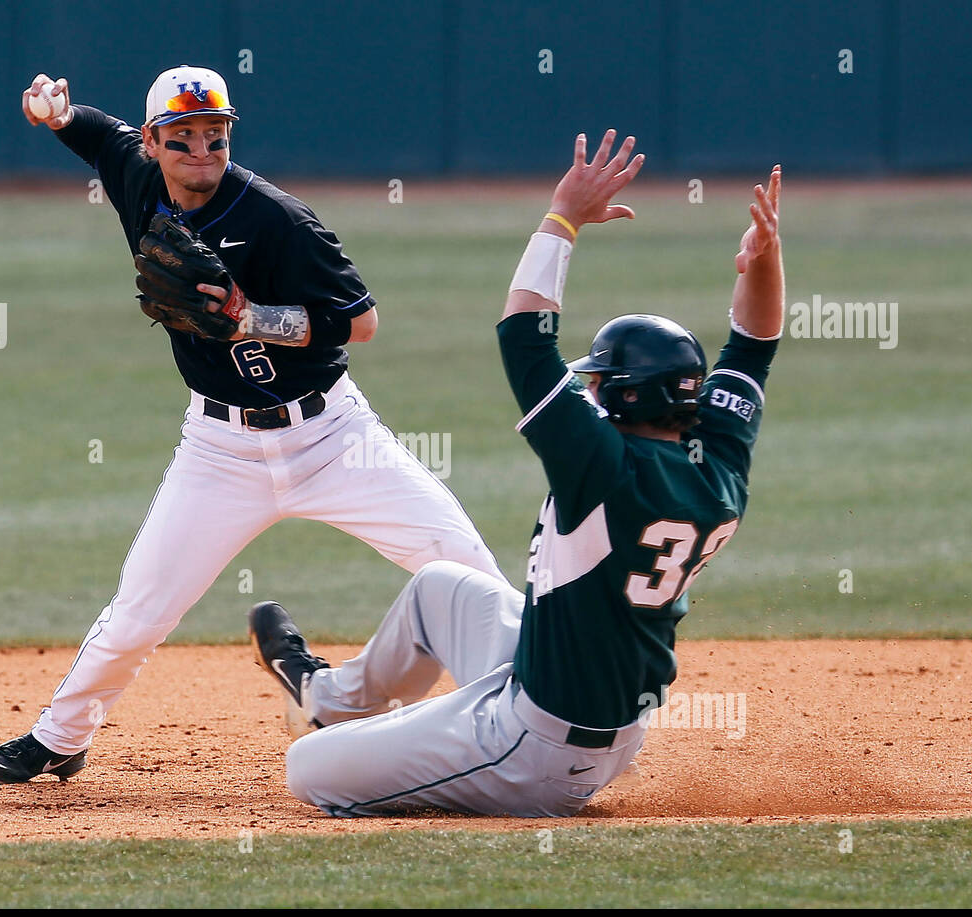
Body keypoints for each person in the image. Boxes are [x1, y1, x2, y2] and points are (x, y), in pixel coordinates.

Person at [0, 66, 502, 785]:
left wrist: (249, 319)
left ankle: (529, 714)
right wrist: (59, 116)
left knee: (466, 569)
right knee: (140, 608)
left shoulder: (279, 219)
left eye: (214, 135)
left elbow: (363, 323)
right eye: (183, 137)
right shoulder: (137, 174)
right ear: (154, 142)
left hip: (333, 439)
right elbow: (99, 137)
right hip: (218, 448)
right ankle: (59, 738)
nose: (201, 149)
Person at [248, 130, 784, 817]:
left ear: (621, 397)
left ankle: (397, 750)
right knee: (440, 587)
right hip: (597, 716)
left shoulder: (601, 463)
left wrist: (562, 216)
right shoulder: (718, 464)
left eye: (598, 382)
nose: (585, 391)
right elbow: (753, 347)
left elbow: (523, 337)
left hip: (537, 748)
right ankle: (326, 703)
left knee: (310, 774)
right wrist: (761, 265)